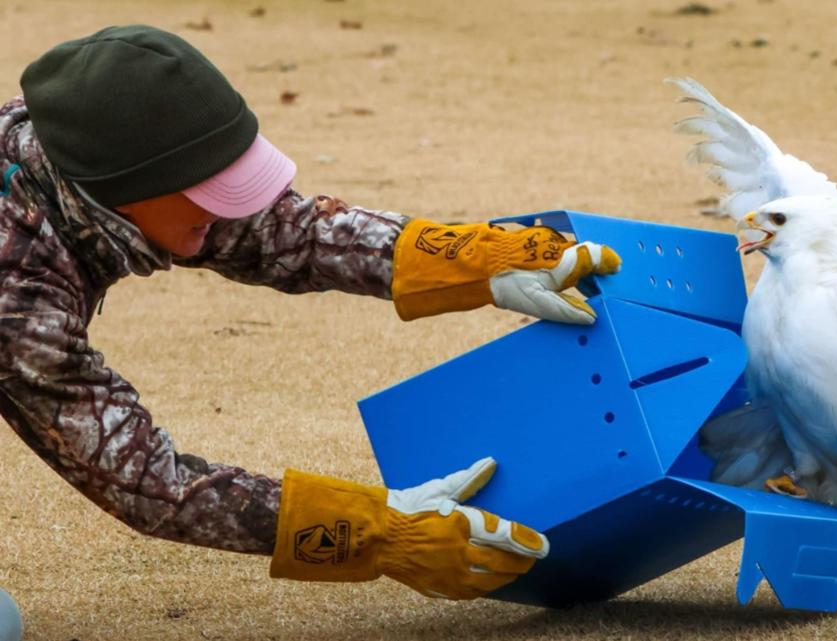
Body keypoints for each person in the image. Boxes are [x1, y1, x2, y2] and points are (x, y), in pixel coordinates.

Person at [0, 23, 621, 630]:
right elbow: (145, 481)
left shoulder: (76, 154)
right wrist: (375, 530)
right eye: (209, 193)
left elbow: (280, 233)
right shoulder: (18, 293)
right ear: (125, 191)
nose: (229, 211)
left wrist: (472, 258)